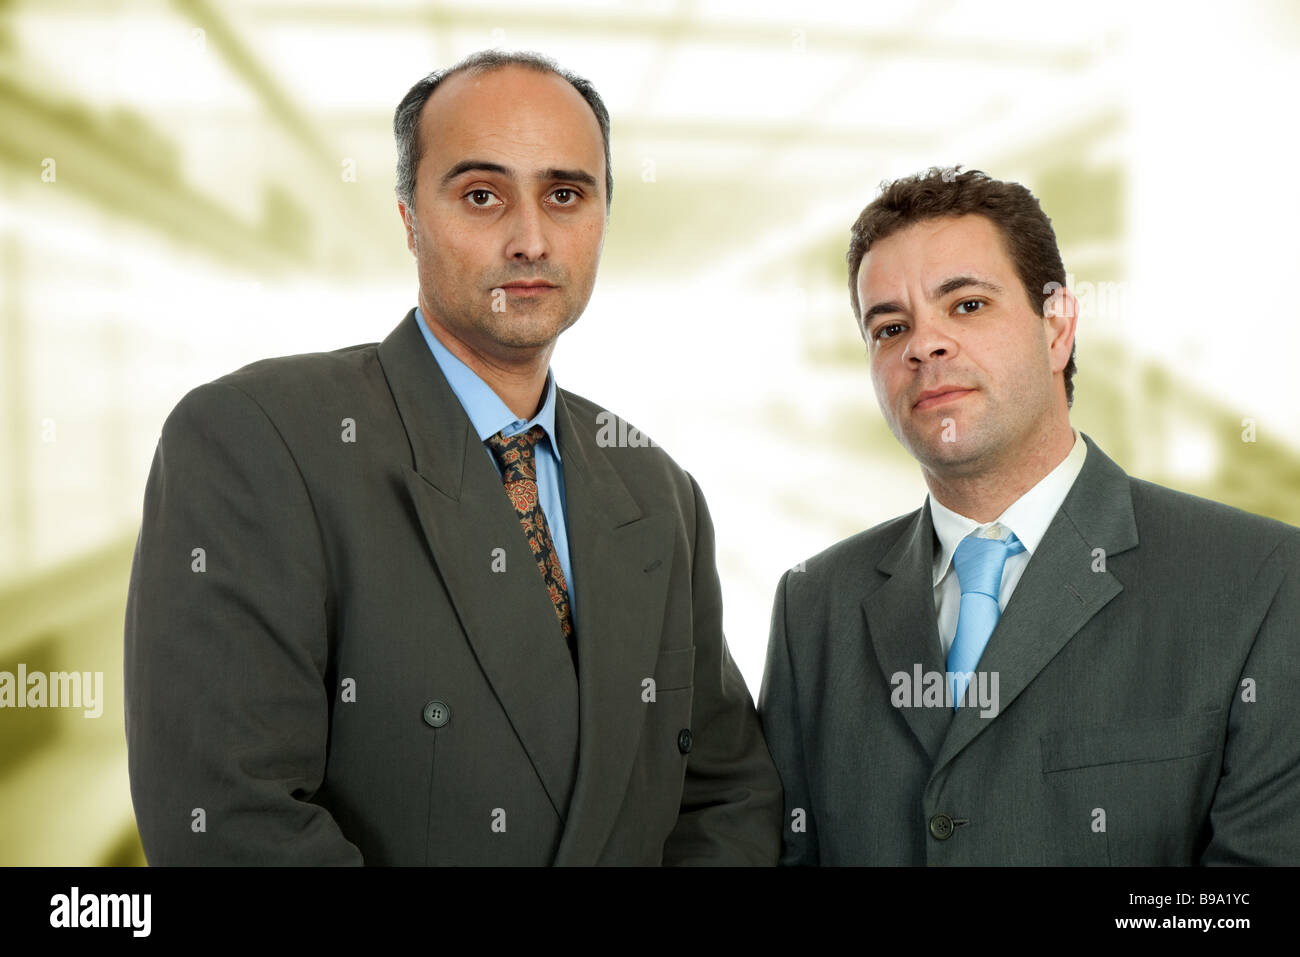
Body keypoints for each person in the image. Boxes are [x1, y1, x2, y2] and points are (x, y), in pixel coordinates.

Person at [124, 50, 781, 866]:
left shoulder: (656, 488)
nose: (531, 239)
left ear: (604, 216)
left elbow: (727, 795)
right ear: (408, 217)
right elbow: (229, 819)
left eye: (566, 195)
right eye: (481, 195)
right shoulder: (256, 440)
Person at [758, 166, 1300, 866]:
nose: (924, 344)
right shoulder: (814, 607)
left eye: (968, 305)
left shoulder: (1258, 580)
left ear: (1058, 328)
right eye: (890, 327)